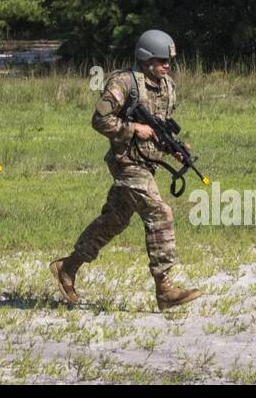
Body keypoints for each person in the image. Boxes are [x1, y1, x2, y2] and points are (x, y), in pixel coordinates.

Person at [51, 30, 202, 311]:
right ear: (145, 59)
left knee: (114, 221)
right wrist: (133, 128)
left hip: (148, 163)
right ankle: (164, 287)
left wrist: (175, 147)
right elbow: (100, 120)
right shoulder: (123, 83)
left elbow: (160, 126)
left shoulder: (168, 85)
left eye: (169, 60)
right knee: (159, 212)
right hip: (126, 164)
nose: (167, 65)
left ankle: (67, 267)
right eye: (161, 60)